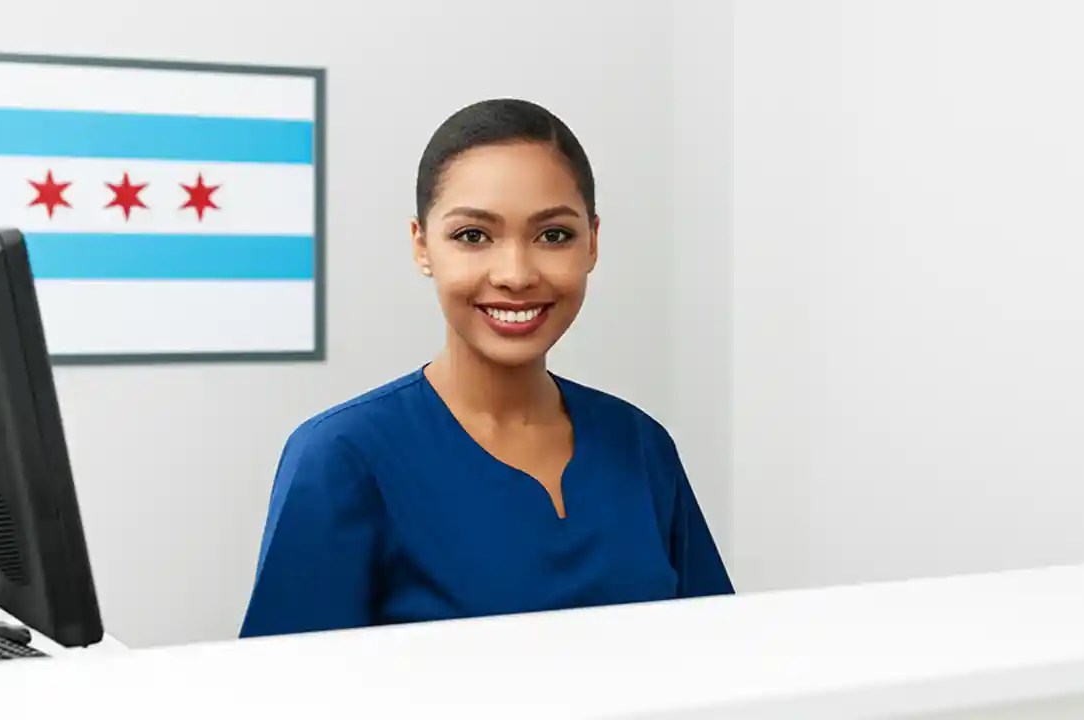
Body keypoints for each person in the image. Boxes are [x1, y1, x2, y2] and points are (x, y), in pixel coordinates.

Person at [239, 98, 732, 638]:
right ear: (422, 246)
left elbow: (720, 654)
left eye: (553, 235)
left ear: (592, 242)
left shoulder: (640, 445)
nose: (515, 274)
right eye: (473, 236)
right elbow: (283, 682)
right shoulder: (341, 458)